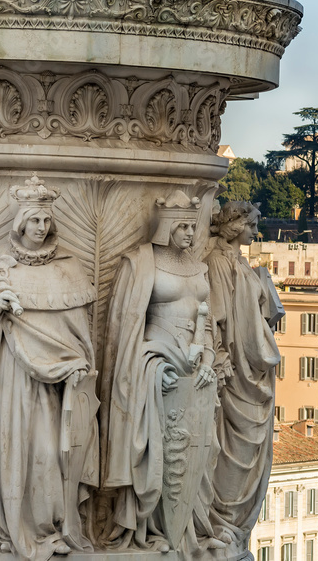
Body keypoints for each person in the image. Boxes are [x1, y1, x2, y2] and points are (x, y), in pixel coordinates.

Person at [0, 175, 99, 561]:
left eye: (46, 221)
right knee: (8, 449)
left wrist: (76, 364)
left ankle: (47, 527)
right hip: (7, 377)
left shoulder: (68, 269)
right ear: (20, 222)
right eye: (34, 220)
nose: (41, 227)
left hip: (53, 388)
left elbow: (79, 333)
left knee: (48, 453)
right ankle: (6, 523)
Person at [105, 190, 223, 553]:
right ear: (167, 227)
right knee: (159, 447)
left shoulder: (199, 266)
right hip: (156, 361)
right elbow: (128, 327)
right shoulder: (141, 264)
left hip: (196, 367)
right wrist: (148, 366)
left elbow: (205, 320)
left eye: (193, 226)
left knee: (198, 449)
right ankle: (150, 527)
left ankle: (188, 528)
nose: (191, 233)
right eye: (183, 226)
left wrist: (207, 358)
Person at [204, 201, 280, 549]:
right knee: (234, 443)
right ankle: (221, 519)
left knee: (249, 444)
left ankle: (231, 524)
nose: (255, 231)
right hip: (235, 365)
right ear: (235, 226)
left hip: (250, 366)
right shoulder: (218, 263)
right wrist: (220, 355)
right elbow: (219, 314)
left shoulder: (241, 263)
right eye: (251, 224)